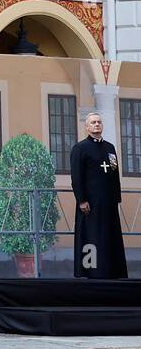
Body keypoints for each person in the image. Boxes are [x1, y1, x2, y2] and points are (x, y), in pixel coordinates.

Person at [70, 112, 128, 279]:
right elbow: (76, 177)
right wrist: (81, 200)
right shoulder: (79, 148)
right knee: (92, 237)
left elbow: (114, 173)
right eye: (93, 122)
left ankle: (112, 271)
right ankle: (91, 272)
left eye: (99, 122)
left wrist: (117, 198)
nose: (97, 124)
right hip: (90, 204)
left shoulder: (110, 148)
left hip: (109, 203)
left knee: (110, 236)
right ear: (87, 127)